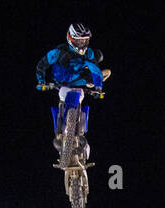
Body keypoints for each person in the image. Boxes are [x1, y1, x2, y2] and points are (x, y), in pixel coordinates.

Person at [35, 23, 111, 157]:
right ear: (70, 38)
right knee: (63, 97)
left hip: (80, 83)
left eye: (84, 41)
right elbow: (42, 64)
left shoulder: (89, 53)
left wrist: (98, 87)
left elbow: (95, 69)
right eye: (78, 41)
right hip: (62, 83)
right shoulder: (59, 52)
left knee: (94, 74)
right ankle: (60, 133)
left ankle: (81, 136)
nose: (81, 44)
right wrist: (41, 81)